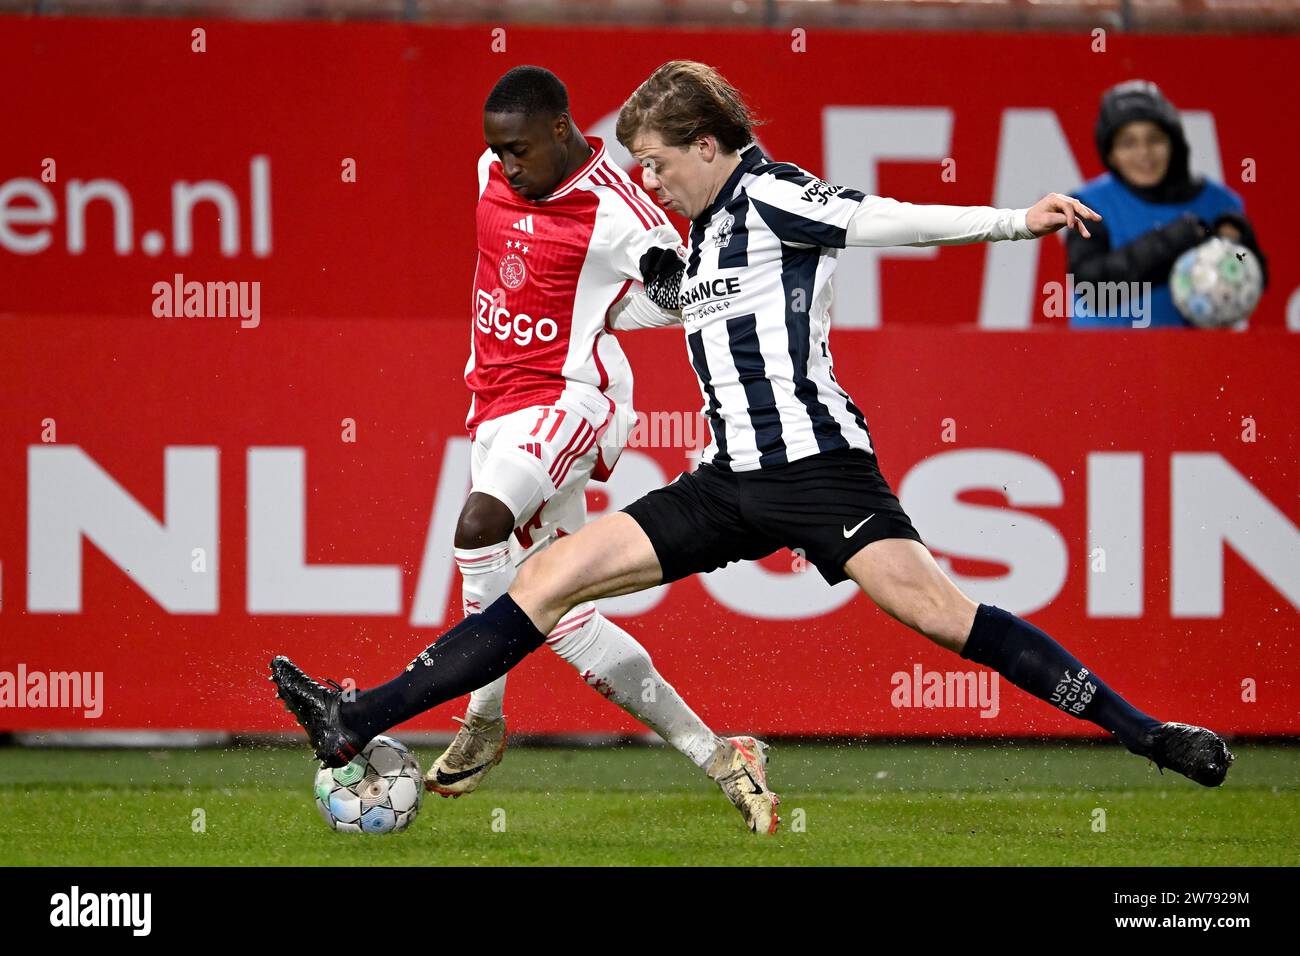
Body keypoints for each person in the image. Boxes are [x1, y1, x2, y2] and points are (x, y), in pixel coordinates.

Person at [272, 62, 1233, 818]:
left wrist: (1014, 222)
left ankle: (1151, 735)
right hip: (728, 481)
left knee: (947, 619)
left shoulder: (776, 199)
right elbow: (645, 298)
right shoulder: (686, 238)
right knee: (543, 579)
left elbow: (883, 221)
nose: (644, 181)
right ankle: (355, 720)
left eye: (656, 163)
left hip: (822, 475)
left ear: (705, 144)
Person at [412, 66, 780, 833]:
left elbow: (676, 294)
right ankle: (721, 754)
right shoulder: (491, 170)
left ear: (558, 129)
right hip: (495, 406)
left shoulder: (619, 211)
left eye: (517, 150)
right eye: (496, 151)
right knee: (557, 607)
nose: (505, 165)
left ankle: (482, 718)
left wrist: (661, 279)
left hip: (571, 397)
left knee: (478, 526)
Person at [1067, 79, 1268, 328]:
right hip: (1107, 359)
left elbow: (1252, 284)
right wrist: (1173, 240)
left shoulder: (1221, 204)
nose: (1144, 153)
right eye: (1128, 143)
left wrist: (1243, 246)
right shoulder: (1088, 205)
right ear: (1111, 155)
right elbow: (1091, 288)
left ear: (1174, 143)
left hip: (1198, 359)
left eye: (1155, 139)